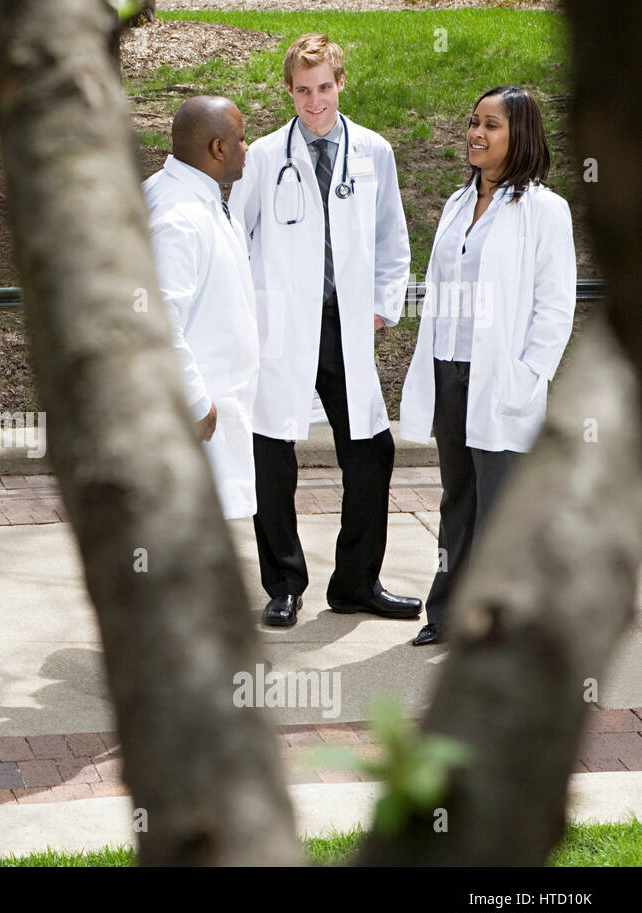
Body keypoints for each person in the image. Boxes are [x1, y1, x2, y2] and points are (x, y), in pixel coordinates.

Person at [228, 33, 419, 627]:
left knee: (370, 450)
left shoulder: (373, 151)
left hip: (345, 322)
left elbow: (392, 236)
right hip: (280, 325)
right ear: (289, 90)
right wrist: (243, 317)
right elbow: (236, 236)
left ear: (341, 83)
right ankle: (283, 583)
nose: (315, 101)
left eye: (325, 87)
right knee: (270, 449)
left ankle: (356, 582)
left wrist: (384, 306)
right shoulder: (262, 156)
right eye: (303, 90)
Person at [399, 86, 575, 646]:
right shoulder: (457, 203)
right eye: (473, 122)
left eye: (491, 126)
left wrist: (529, 373)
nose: (476, 133)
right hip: (451, 368)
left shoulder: (544, 210)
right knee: (458, 498)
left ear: (518, 135)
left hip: (501, 375)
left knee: (500, 506)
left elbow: (555, 305)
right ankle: (446, 612)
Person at [142, 95, 259, 520]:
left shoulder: (189, 196)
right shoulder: (177, 217)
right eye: (241, 139)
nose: (248, 148)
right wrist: (195, 403)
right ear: (217, 149)